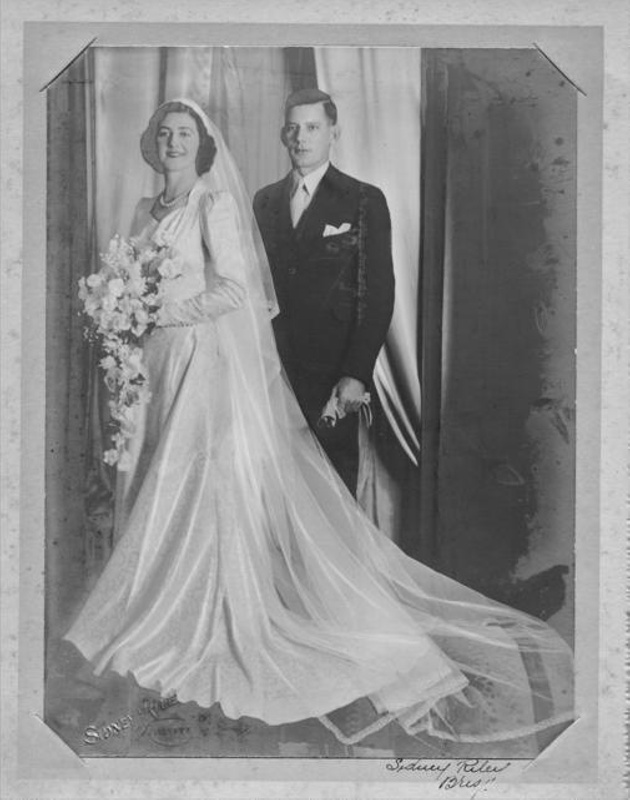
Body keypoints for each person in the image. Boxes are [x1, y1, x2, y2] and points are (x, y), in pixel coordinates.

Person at [64, 98, 574, 750]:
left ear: (331, 130)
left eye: (184, 133)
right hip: (185, 371)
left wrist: (355, 375)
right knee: (185, 493)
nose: (171, 141)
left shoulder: (350, 199)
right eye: (164, 133)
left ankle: (331, 617)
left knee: (318, 511)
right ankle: (191, 604)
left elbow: (350, 290)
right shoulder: (253, 201)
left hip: (317, 379)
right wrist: (127, 313)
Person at [253, 89, 395, 494]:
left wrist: (356, 374)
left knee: (332, 491)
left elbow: (378, 294)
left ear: (334, 132)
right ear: (283, 135)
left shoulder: (363, 199)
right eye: (294, 128)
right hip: (274, 371)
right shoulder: (265, 201)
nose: (302, 138)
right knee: (275, 487)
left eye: (313, 127)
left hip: (332, 373)